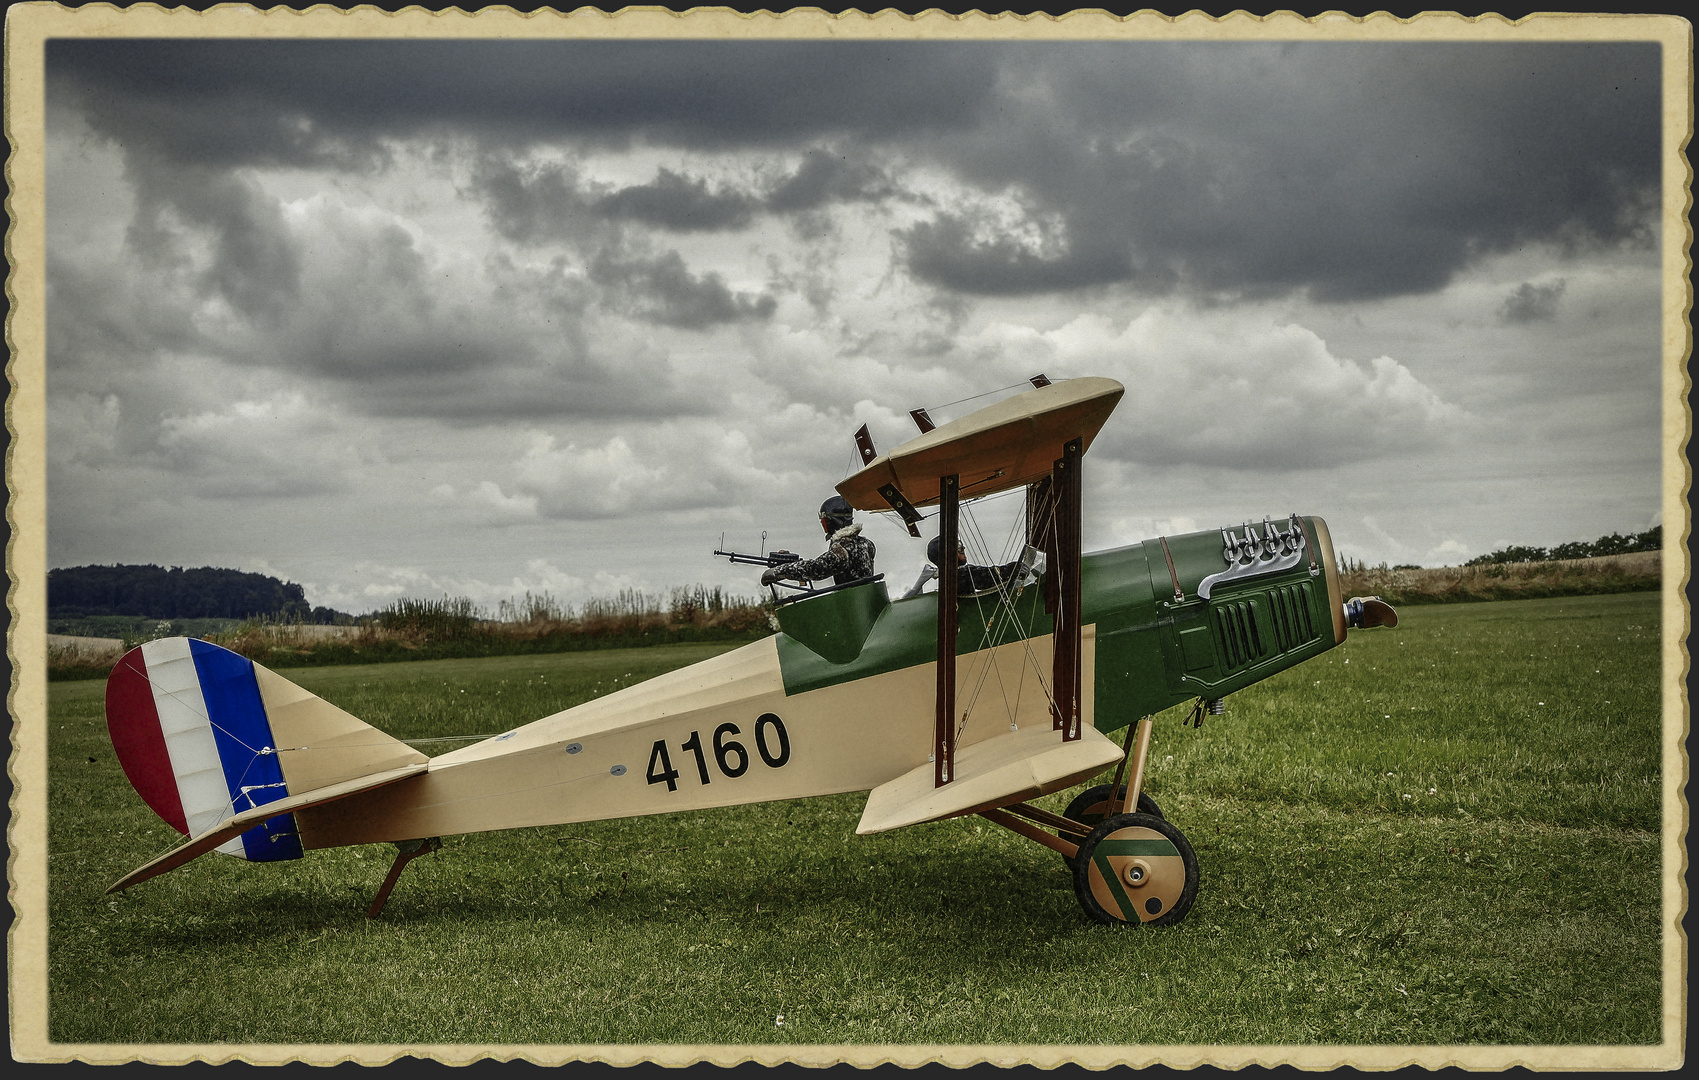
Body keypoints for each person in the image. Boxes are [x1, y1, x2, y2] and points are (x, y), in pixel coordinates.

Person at [760, 496, 877, 588]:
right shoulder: (867, 544)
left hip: (850, 606)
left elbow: (816, 568)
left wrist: (779, 571)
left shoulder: (842, 549)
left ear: (830, 521)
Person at [925, 535, 1046, 598]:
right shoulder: (961, 575)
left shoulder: (952, 576)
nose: (963, 549)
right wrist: (1010, 570)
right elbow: (987, 578)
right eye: (958, 548)